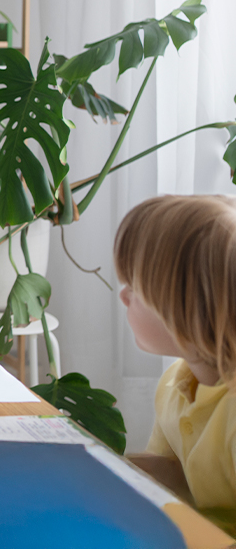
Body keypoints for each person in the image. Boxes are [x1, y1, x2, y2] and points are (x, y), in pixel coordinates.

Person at [115, 194, 236, 508]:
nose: (124, 295)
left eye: (136, 287)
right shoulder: (177, 382)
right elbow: (174, 475)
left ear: (189, 313)